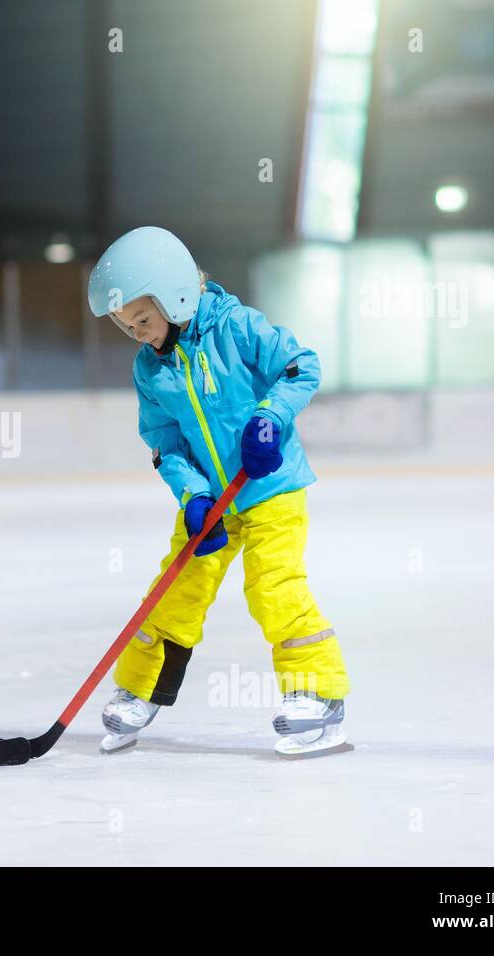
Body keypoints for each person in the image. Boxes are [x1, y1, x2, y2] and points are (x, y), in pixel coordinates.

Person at [86, 226, 350, 758]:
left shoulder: (237, 326)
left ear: (176, 294)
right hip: (215, 499)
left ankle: (319, 696)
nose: (136, 332)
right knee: (175, 588)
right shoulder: (149, 369)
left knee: (273, 587)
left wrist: (270, 418)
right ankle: (138, 692)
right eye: (125, 324)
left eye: (142, 318)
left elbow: (301, 366)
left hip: (271, 487)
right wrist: (192, 495)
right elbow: (164, 442)